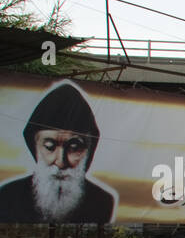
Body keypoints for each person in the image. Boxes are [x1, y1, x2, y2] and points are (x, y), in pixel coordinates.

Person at [0, 82, 117, 223]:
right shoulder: (8, 195)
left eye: (74, 147)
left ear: (89, 150)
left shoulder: (102, 201)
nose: (61, 162)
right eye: (50, 146)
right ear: (35, 147)